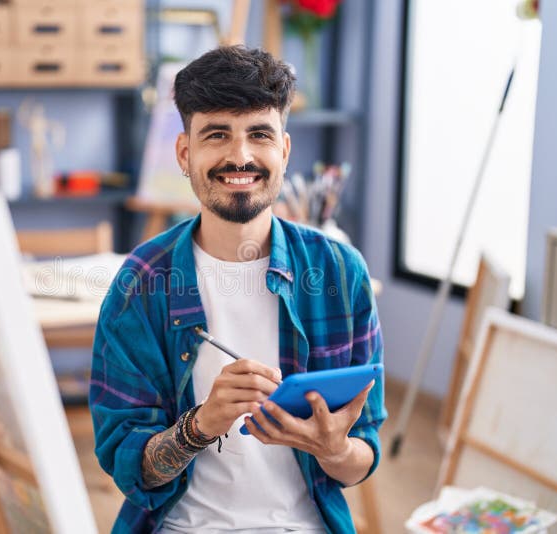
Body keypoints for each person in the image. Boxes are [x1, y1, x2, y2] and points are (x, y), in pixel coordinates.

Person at [89, 45, 386, 534]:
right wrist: (200, 424)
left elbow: (362, 457)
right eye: (217, 134)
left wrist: (334, 448)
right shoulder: (142, 281)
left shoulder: (340, 273)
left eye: (259, 134)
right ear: (186, 153)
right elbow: (129, 467)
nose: (240, 156)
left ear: (284, 151)